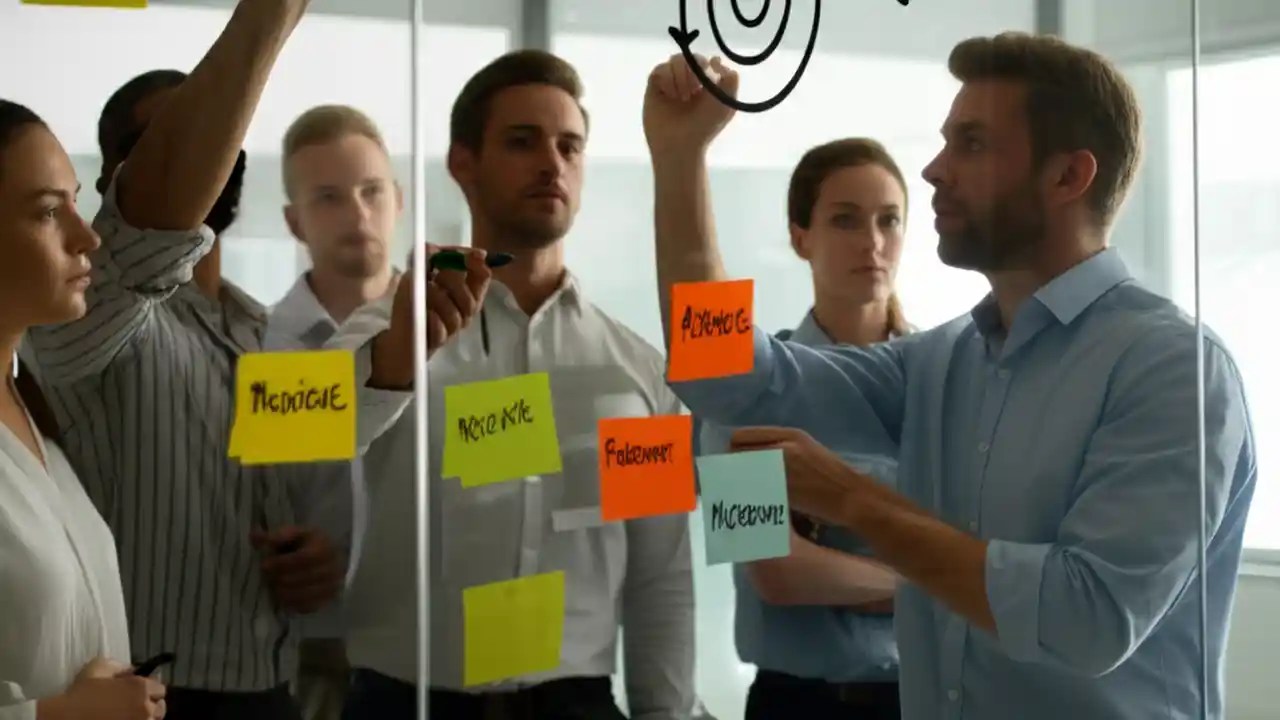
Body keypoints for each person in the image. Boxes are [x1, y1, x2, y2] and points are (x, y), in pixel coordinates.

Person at [643, 33, 1255, 720]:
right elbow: (721, 374)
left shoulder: (1173, 370)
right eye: (845, 219)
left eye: (972, 144)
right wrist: (680, 159)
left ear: (1066, 178)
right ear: (800, 235)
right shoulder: (939, 362)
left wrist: (856, 503)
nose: (934, 170)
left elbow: (1087, 620)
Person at [19, 1, 491, 717]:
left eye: (224, 131)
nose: (213, 151)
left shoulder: (255, 325)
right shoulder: (89, 322)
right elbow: (148, 237)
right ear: (120, 178)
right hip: (142, 698)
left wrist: (316, 555)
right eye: (171, 140)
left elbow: (313, 437)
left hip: (270, 689)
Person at [341, 49, 696, 720]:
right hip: (404, 703)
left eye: (570, 146)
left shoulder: (634, 371)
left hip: (576, 705)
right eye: (522, 141)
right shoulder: (388, 331)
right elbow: (308, 452)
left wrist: (665, 713)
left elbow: (660, 574)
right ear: (462, 163)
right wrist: (394, 362)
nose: (552, 163)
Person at [698, 138, 911, 720]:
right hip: (798, 703)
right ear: (800, 237)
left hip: (931, 697)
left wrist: (854, 575)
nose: (872, 243)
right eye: (845, 220)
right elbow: (776, 571)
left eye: (889, 220)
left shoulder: (949, 384)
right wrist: (922, 579)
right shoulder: (739, 393)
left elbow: (989, 556)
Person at [0, 98, 167, 720]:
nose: (87, 235)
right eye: (48, 211)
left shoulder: (27, 401)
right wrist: (58, 714)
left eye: (75, 201)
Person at [263, 104, 402, 720]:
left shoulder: (462, 333)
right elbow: (250, 503)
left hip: (440, 650)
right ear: (295, 222)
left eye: (372, 191)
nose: (358, 213)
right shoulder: (262, 349)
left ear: (398, 197)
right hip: (307, 655)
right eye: (329, 198)